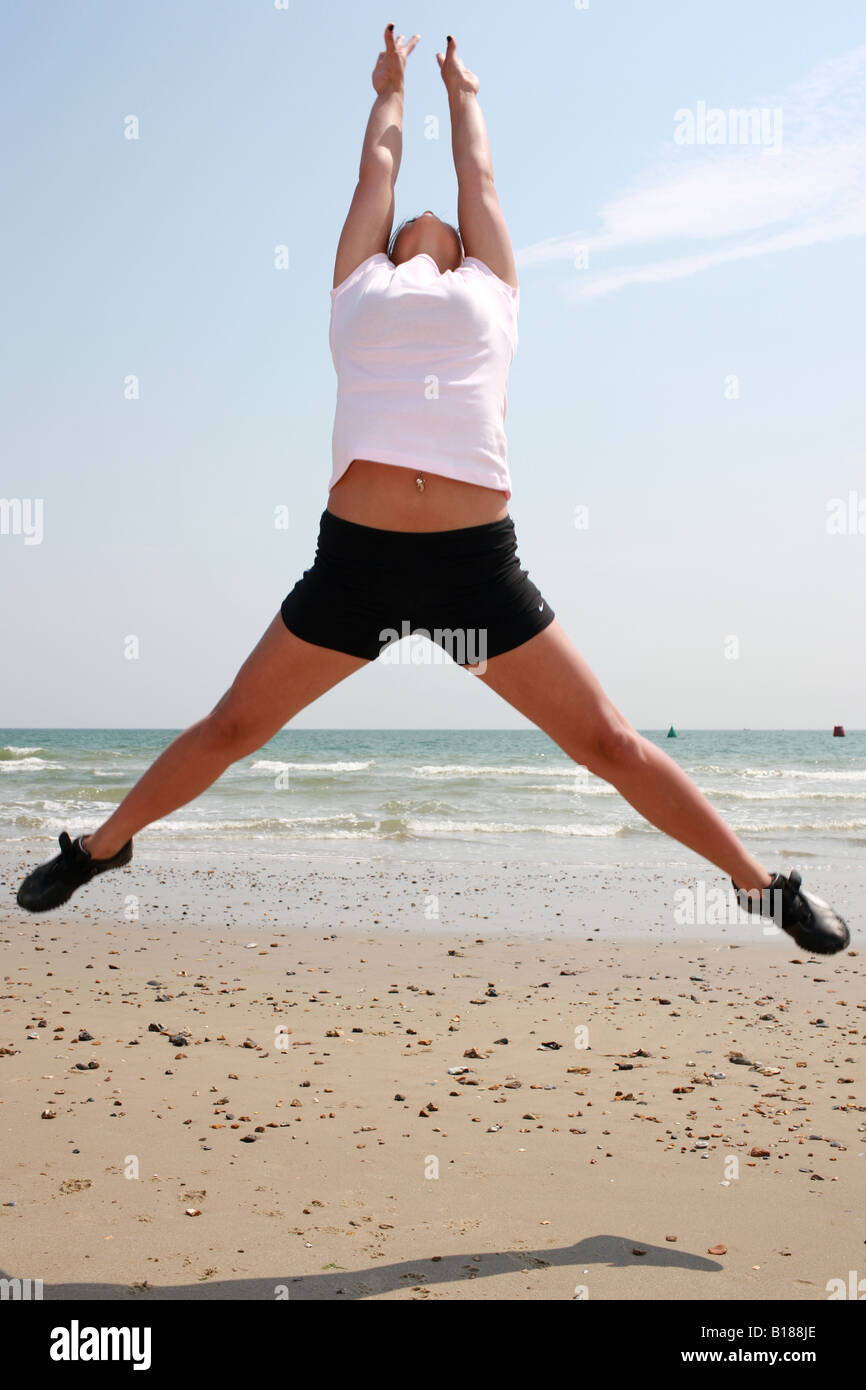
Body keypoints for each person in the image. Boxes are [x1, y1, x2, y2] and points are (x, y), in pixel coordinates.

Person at [17, 26, 849, 956]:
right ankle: (98, 850)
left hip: (473, 571)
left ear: (462, 250)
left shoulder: (491, 287)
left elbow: (478, 179)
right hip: (358, 567)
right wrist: (389, 89)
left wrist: (464, 92)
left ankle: (761, 888)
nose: (428, 218)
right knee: (234, 724)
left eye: (444, 224)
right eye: (412, 216)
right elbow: (377, 164)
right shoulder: (354, 285)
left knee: (608, 742)